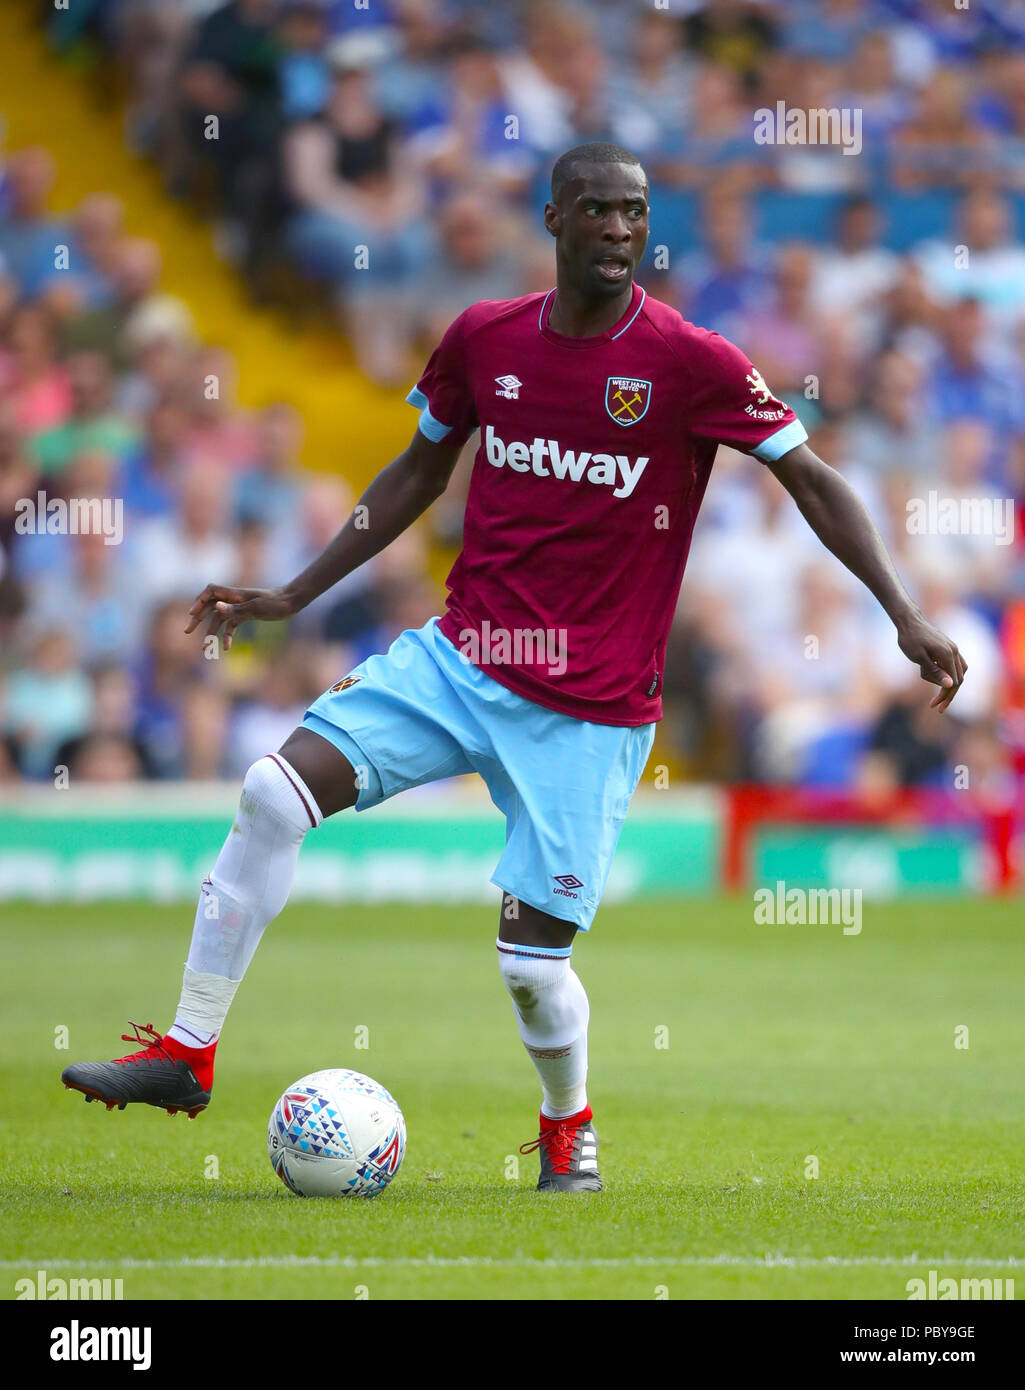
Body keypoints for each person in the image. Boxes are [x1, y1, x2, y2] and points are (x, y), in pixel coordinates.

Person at [61, 143, 966, 1194]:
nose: (620, 231)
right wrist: (293, 594)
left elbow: (810, 480)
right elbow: (416, 469)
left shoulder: (688, 360)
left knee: (531, 972)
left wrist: (900, 611)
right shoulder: (484, 340)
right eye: (597, 210)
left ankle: (564, 1126)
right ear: (552, 218)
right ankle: (188, 1050)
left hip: (587, 712)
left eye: (633, 212)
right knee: (270, 792)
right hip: (462, 659)